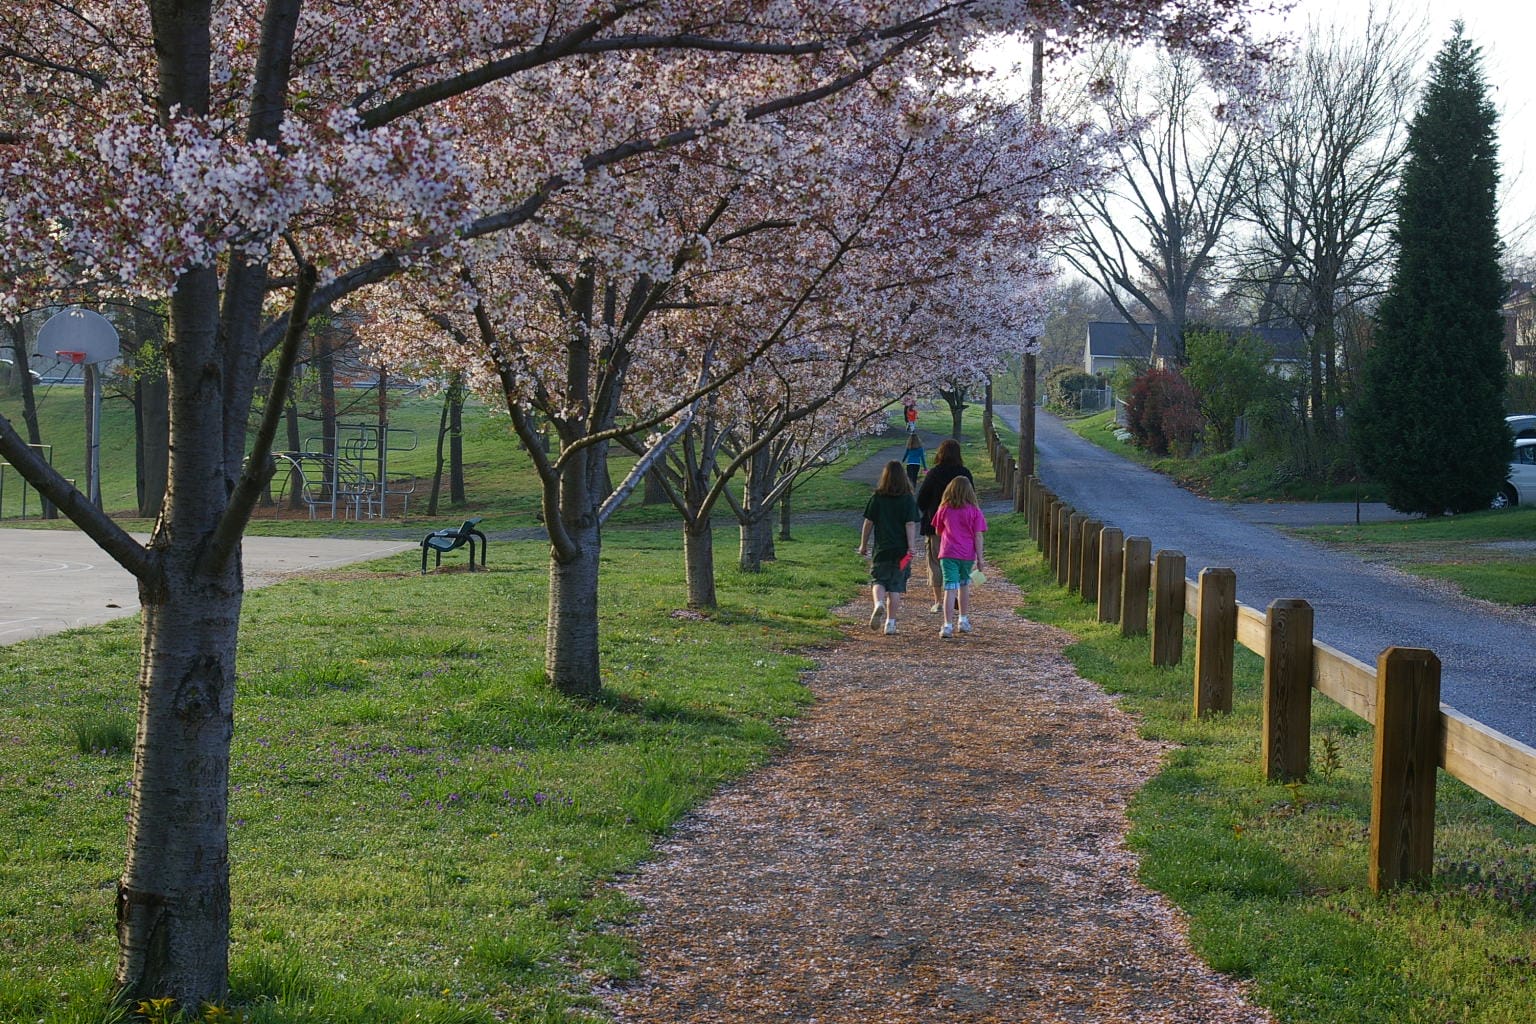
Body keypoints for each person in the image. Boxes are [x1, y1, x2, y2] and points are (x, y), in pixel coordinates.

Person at [857, 460, 921, 635]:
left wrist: (863, 544)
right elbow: (910, 524)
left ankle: (878, 603)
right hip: (902, 553)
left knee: (878, 580)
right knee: (896, 586)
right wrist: (911, 546)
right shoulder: (908, 499)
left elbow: (868, 522)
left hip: (882, 550)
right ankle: (890, 623)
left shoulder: (877, 497)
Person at [915, 438, 973, 615]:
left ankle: (939, 601)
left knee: (935, 562)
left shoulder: (934, 473)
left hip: (936, 525)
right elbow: (972, 498)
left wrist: (932, 511)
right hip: (961, 528)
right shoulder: (964, 473)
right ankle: (953, 594)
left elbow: (921, 500)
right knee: (957, 562)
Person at [932, 475, 987, 638]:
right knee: (964, 586)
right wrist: (980, 558)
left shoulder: (944, 508)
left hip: (948, 553)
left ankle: (947, 625)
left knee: (950, 588)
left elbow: (937, 530)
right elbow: (978, 535)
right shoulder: (974, 511)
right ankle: (963, 620)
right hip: (967, 554)